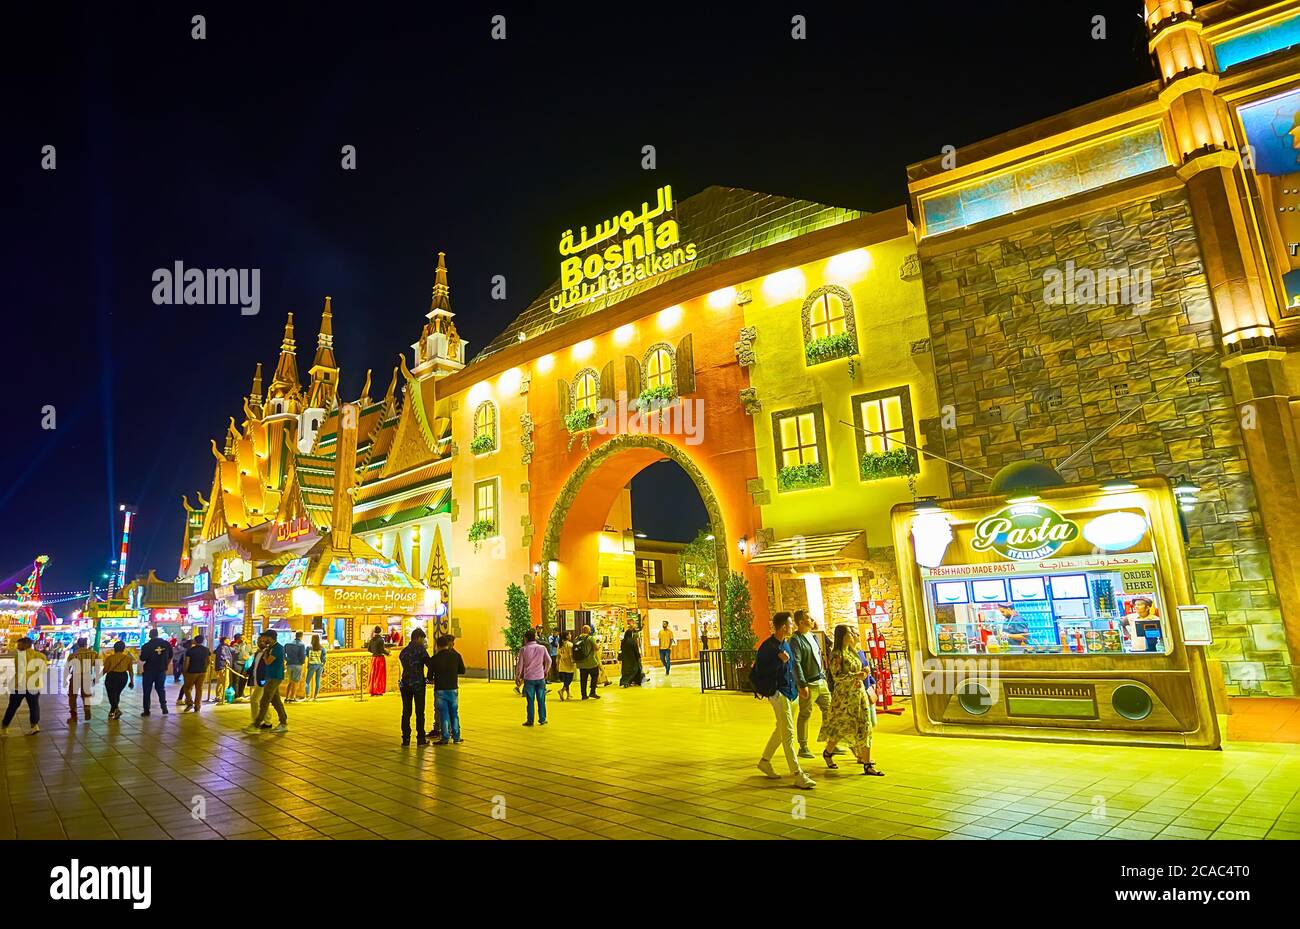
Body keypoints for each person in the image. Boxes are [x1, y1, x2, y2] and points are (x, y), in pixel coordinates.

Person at [752, 612, 816, 790]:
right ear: (782, 627)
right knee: (788, 732)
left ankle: (765, 761)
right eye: (790, 624)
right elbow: (761, 672)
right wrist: (778, 662)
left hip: (791, 692)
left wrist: (800, 686)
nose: (792, 627)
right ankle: (797, 773)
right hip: (778, 693)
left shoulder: (785, 644)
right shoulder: (767, 648)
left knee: (781, 730)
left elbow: (792, 667)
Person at [821, 625, 882, 776]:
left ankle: (867, 764)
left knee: (865, 726)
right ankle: (828, 752)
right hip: (844, 698)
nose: (852, 635)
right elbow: (836, 676)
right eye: (849, 633)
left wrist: (866, 673)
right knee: (841, 728)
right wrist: (856, 676)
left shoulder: (853, 651)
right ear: (842, 636)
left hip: (859, 694)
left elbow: (862, 668)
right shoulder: (837, 654)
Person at [788, 610, 832, 760]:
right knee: (805, 713)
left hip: (820, 680)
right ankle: (803, 745)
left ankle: (831, 742)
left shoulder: (813, 636)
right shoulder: (795, 640)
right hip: (809, 683)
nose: (812, 620)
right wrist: (801, 683)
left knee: (830, 710)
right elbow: (796, 663)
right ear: (801, 622)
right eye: (808, 618)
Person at [1, 637, 46, 735]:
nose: (17, 646)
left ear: (25, 645)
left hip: (19, 686)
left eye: (19, 644)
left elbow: (20, 671)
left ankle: (4, 727)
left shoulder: (20, 655)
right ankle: (34, 726)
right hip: (34, 686)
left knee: (12, 707)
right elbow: (43, 670)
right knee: (34, 706)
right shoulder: (41, 655)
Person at [246, 630, 288, 733]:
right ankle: (283, 723)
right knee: (276, 701)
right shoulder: (271, 648)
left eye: (264, 638)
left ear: (270, 638)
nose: (263, 640)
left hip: (275, 677)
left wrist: (265, 656)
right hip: (270, 677)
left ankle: (256, 725)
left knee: (264, 701)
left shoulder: (278, 648)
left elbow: (268, 661)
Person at [397, 628, 432, 746]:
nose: (423, 641)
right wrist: (429, 677)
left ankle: (406, 738)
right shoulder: (421, 650)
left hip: (405, 683)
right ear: (418, 638)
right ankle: (420, 738)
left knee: (406, 711)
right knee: (419, 711)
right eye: (423, 639)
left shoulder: (404, 652)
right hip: (418, 684)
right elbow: (429, 664)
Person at [429, 633, 465, 744]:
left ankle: (445, 737)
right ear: (447, 645)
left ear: (438, 646)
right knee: (454, 712)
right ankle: (456, 737)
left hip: (440, 689)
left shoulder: (434, 659)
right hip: (453, 688)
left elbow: (429, 677)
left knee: (444, 713)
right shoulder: (456, 656)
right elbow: (462, 670)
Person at [514, 628, 551, 726]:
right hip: (540, 677)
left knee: (530, 700)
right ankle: (542, 719)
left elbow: (520, 664)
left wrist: (518, 676)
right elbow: (549, 661)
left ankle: (530, 720)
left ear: (525, 638)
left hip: (529, 678)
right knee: (541, 699)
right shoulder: (542, 648)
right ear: (535, 637)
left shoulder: (523, 649)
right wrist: (546, 670)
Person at [139, 628, 173, 717]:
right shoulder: (166, 644)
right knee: (161, 688)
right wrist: (166, 665)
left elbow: (142, 658)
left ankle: (146, 710)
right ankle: (164, 707)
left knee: (147, 690)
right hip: (161, 670)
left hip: (149, 671)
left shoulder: (147, 646)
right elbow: (170, 656)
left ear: (150, 635)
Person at [66, 638, 100, 723]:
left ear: (78, 644)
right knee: (86, 695)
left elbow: (68, 668)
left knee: (72, 696)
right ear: (86, 643)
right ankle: (87, 708)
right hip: (87, 676)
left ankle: (74, 716)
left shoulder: (73, 655)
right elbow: (97, 667)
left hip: (76, 676)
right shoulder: (94, 654)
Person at [102, 639, 135, 719]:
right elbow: (130, 670)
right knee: (116, 694)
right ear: (123, 649)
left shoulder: (110, 658)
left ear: (114, 648)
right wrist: (131, 681)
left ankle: (116, 709)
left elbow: (105, 669)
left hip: (112, 676)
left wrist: (97, 678)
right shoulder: (128, 658)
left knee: (111, 694)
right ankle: (113, 711)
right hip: (123, 677)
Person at [179, 633, 211, 712]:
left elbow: (187, 662)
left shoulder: (190, 650)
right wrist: (205, 668)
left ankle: (190, 703)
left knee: (187, 688)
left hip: (191, 672)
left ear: (195, 641)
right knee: (199, 689)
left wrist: (185, 671)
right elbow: (209, 661)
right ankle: (197, 706)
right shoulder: (206, 650)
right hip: (202, 672)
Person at [572, 624, 601, 700]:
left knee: (583, 680)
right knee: (595, 676)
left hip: (581, 663)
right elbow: (596, 648)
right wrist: (599, 644)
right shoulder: (590, 638)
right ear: (588, 631)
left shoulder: (577, 638)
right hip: (591, 662)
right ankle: (592, 692)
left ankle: (584, 695)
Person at [283, 630, 307, 702]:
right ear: (301, 636)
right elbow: (302, 656)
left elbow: (283, 653)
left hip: (289, 664)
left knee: (290, 681)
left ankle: (287, 697)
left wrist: (287, 659)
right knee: (295, 682)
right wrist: (302, 662)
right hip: (297, 664)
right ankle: (292, 697)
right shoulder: (301, 645)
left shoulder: (288, 644)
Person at [366, 626, 391, 696]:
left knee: (373, 675)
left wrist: (374, 651)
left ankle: (372, 690)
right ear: (380, 632)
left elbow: (369, 649)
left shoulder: (372, 640)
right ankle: (378, 690)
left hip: (373, 658)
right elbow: (382, 650)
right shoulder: (381, 640)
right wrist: (388, 653)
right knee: (379, 675)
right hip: (380, 659)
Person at [619, 618, 643, 687]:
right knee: (634, 670)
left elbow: (621, 649)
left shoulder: (623, 641)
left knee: (626, 672)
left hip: (625, 659)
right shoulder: (632, 641)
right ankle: (636, 681)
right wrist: (638, 657)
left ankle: (625, 682)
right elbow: (636, 650)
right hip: (632, 659)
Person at [305, 634, 327, 701]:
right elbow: (324, 658)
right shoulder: (322, 648)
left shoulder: (309, 647)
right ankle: (315, 697)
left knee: (307, 681)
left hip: (312, 665)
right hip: (319, 665)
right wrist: (323, 665)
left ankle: (307, 696)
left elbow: (307, 656)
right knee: (317, 681)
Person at [554, 630, 576, 701]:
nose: (570, 635)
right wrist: (574, 662)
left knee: (566, 680)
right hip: (568, 665)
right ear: (567, 636)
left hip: (562, 665)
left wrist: (557, 664)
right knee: (569, 680)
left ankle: (568, 694)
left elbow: (558, 655)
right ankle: (562, 690)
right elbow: (571, 655)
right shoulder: (570, 645)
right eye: (569, 634)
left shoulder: (560, 644)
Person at [229, 634, 250, 701]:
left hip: (246, 665)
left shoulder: (248, 646)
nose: (243, 639)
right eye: (241, 638)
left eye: (244, 638)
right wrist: (240, 645)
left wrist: (249, 657)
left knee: (243, 680)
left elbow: (252, 653)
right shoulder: (236, 645)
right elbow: (235, 652)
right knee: (236, 680)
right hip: (237, 664)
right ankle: (236, 695)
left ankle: (241, 694)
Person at [212, 636, 233, 703]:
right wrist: (226, 660)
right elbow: (223, 655)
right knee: (225, 682)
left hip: (219, 667)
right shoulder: (223, 647)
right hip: (223, 667)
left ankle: (219, 696)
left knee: (220, 682)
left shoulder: (220, 646)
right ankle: (222, 697)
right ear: (225, 641)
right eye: (228, 640)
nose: (230, 641)